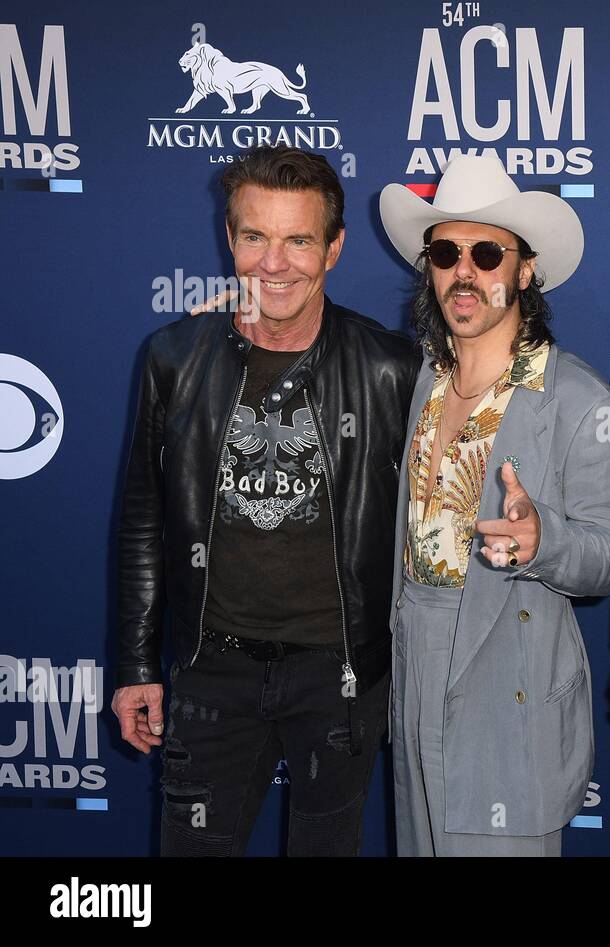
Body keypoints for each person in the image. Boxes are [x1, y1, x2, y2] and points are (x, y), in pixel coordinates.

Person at [111, 145, 420, 856]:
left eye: (298, 240)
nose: (273, 264)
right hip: (209, 671)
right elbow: (142, 520)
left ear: (334, 248)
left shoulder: (388, 370)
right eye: (255, 236)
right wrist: (135, 666)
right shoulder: (173, 358)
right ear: (229, 237)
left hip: (338, 674)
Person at [378, 155, 610, 856]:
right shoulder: (420, 383)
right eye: (445, 252)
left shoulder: (579, 400)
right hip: (415, 680)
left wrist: (543, 540)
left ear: (525, 270)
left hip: (509, 694)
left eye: (487, 252)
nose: (465, 271)